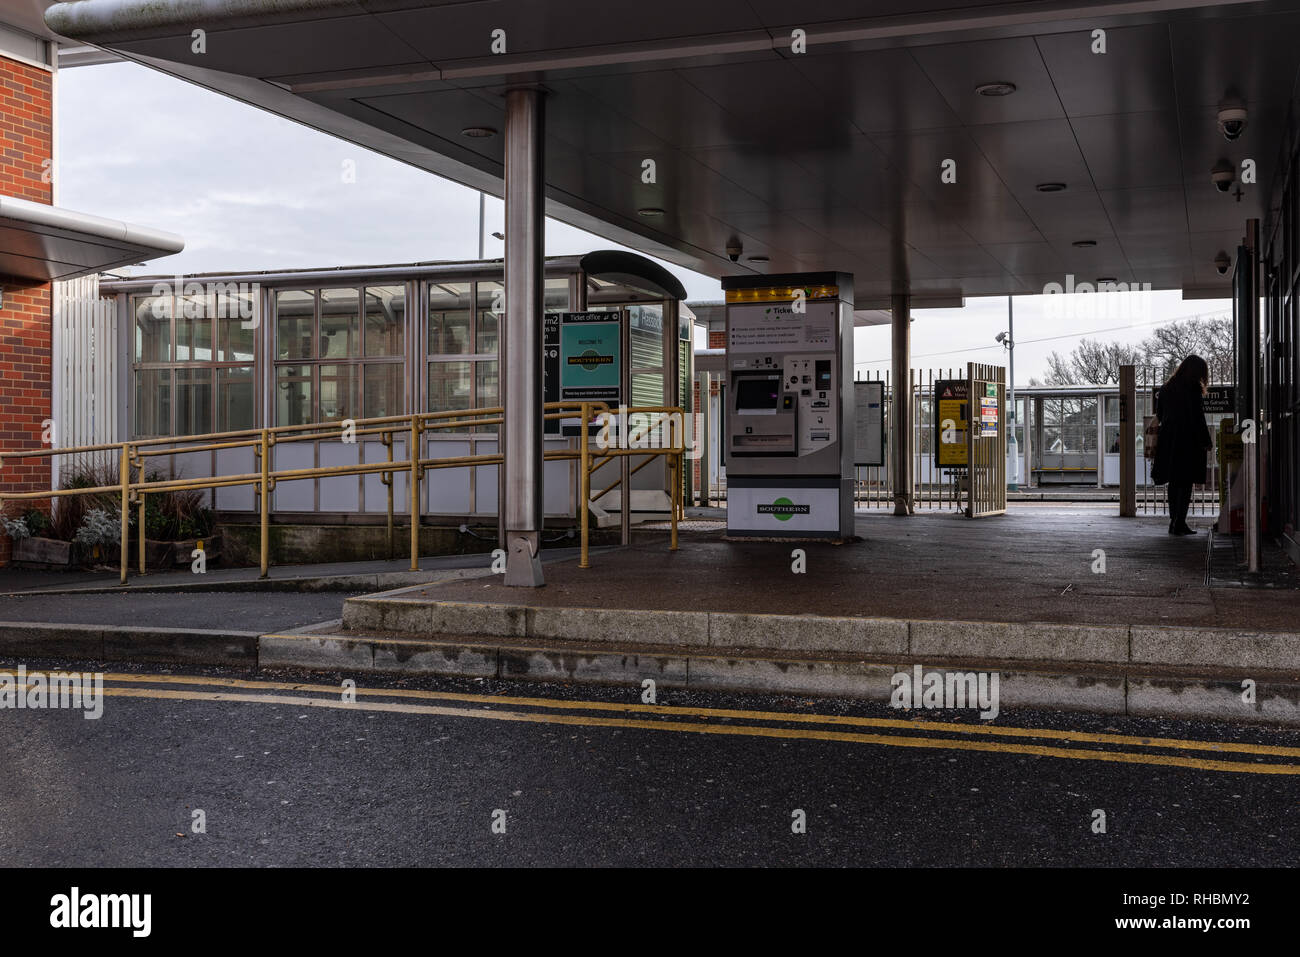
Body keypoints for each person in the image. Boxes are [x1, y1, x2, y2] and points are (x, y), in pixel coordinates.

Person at [1151, 355, 1213, 535]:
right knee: (1185, 482)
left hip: (1169, 440)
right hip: (1187, 440)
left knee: (1174, 482)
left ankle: (1174, 521)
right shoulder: (1192, 388)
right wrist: (1205, 441)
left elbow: (1160, 415)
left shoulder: (1166, 388)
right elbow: (1197, 417)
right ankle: (1180, 522)